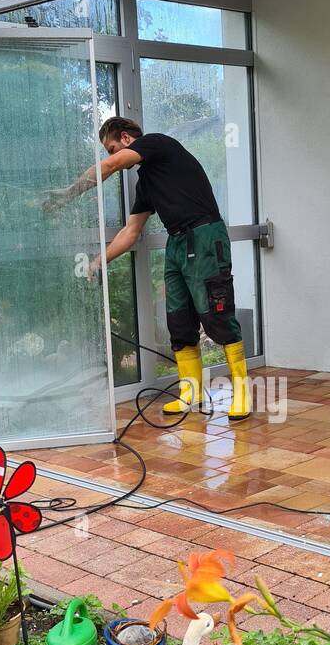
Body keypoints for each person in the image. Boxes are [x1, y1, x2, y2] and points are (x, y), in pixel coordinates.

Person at [44, 117, 251, 421]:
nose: (112, 156)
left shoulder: (158, 143)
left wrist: (68, 194)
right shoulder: (147, 184)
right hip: (177, 243)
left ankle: (242, 391)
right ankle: (190, 393)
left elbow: (108, 167)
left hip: (206, 236)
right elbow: (130, 233)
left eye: (112, 148)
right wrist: (98, 261)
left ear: (127, 139)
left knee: (217, 315)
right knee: (178, 321)